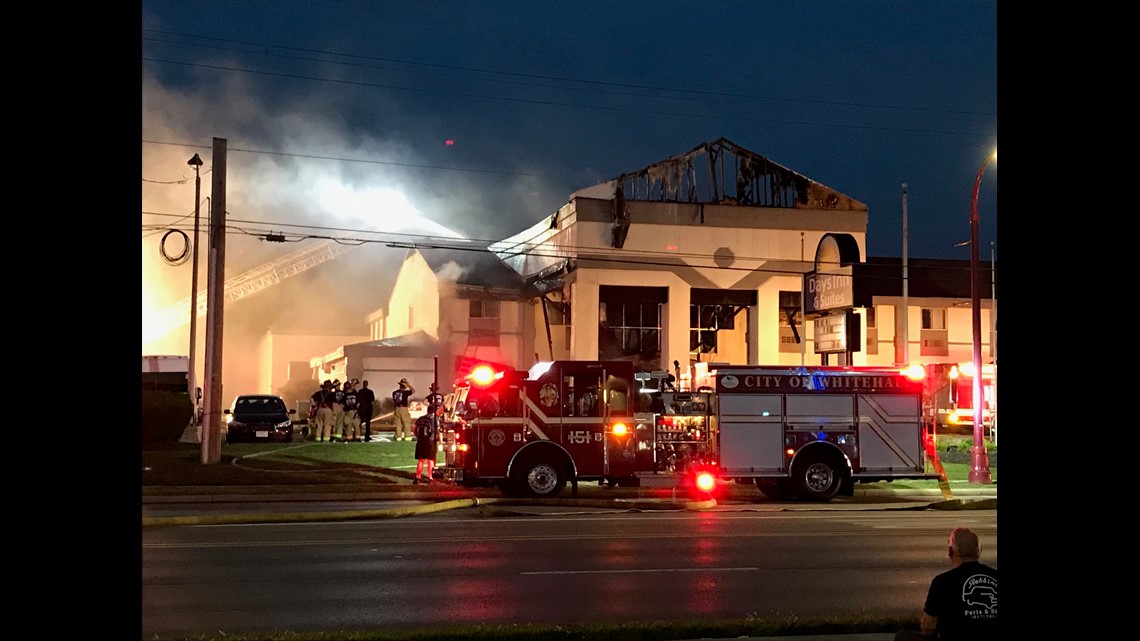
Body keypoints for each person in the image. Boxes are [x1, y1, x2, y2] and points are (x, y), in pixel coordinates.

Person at [895, 527, 997, 641]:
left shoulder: (942, 582)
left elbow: (928, 628)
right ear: (979, 551)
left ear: (950, 552)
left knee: (903, 635)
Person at [414, 383, 445, 484]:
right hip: (430, 441)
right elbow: (438, 430)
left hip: (421, 441)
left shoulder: (420, 418)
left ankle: (417, 477)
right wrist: (440, 442)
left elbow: (414, 428)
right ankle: (430, 477)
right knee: (430, 460)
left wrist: (418, 436)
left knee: (421, 460)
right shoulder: (435, 419)